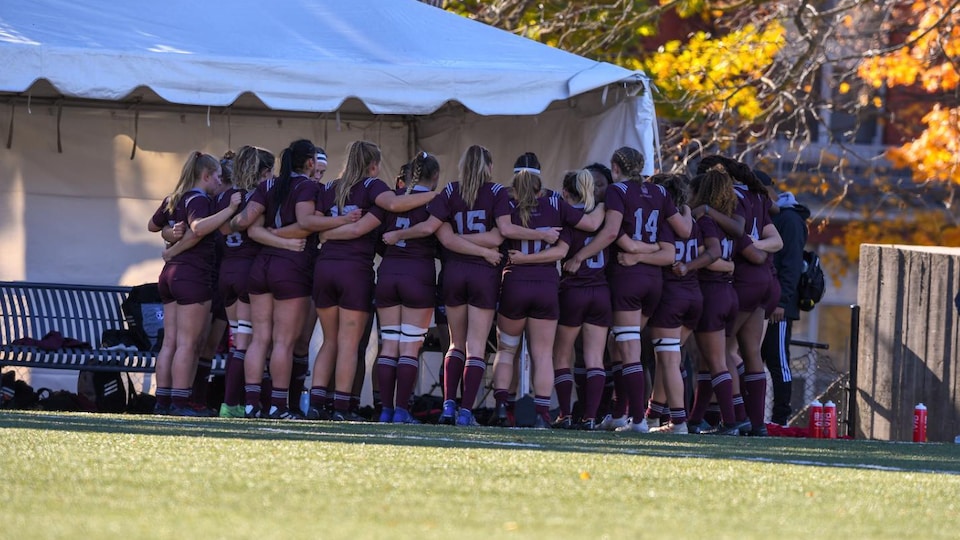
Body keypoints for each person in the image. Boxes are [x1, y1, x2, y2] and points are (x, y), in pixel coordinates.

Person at [564, 146, 691, 433]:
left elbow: (610, 232)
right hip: (654, 280)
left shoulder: (617, 191)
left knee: (628, 349)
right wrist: (647, 247)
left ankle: (638, 419)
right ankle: (620, 414)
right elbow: (682, 233)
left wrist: (580, 256)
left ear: (616, 168)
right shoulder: (659, 192)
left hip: (627, 278)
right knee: (619, 347)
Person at [310, 140, 437, 421]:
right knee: (348, 343)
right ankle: (341, 408)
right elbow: (389, 207)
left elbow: (316, 227)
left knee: (329, 341)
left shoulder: (330, 187)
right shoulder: (373, 186)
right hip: (354, 270)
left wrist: (328, 233)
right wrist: (433, 195)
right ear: (373, 165)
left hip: (325, 267)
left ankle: (316, 404)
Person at [382, 145, 506, 426]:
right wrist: (483, 249)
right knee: (476, 346)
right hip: (483, 273)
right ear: (489, 167)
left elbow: (443, 237)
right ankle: (466, 412)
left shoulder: (450, 190)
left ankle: (448, 407)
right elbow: (498, 237)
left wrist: (457, 239)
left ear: (462, 166)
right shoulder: (496, 192)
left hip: (453, 272)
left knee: (454, 343)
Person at [148, 151, 241, 416]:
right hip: (192, 275)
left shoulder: (174, 197)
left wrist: (170, 233)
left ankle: (162, 401)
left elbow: (153, 226)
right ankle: (179, 402)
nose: (220, 182)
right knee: (187, 343)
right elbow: (198, 229)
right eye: (218, 177)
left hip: (170, 276)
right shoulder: (200, 200)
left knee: (170, 342)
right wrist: (230, 209)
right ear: (206, 176)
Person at [374, 152, 441, 423]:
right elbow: (442, 239)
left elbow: (377, 237)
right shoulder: (436, 200)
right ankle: (401, 410)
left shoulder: (390, 198)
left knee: (389, 345)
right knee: (410, 348)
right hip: (418, 274)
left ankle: (385, 410)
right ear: (435, 176)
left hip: (389, 271)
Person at [552, 169, 609, 430]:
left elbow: (560, 250)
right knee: (595, 358)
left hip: (573, 290)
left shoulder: (567, 216)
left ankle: (565, 414)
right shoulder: (603, 215)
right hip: (600, 290)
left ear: (565, 192)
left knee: (562, 355)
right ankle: (590, 418)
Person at [758, 168, 810, 426]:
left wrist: (782, 300)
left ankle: (780, 418)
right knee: (756, 359)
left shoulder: (788, 220)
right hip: (762, 301)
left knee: (778, 360)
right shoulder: (768, 216)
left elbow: (791, 265)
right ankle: (755, 416)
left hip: (778, 304)